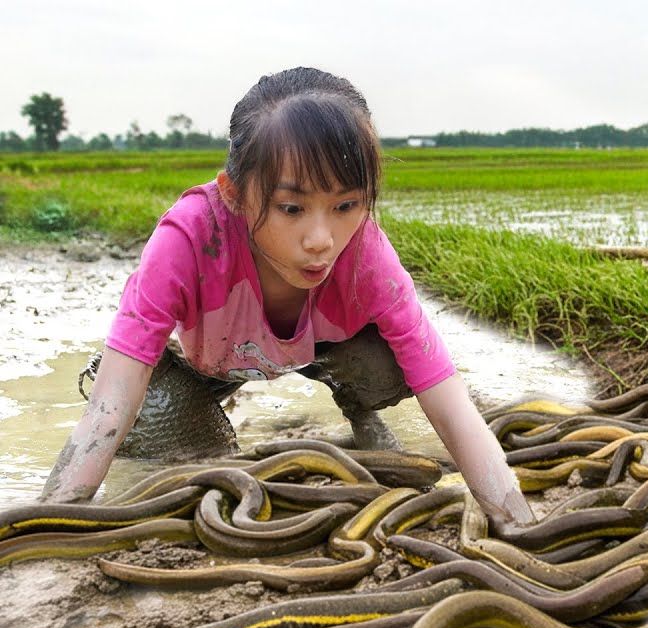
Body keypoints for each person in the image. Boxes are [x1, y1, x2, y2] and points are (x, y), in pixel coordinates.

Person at [38, 66, 535, 525]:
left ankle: (358, 408)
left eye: (346, 204)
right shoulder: (188, 239)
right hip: (208, 362)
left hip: (321, 351)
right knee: (175, 441)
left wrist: (515, 518)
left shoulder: (366, 257)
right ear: (234, 193)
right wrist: (51, 521)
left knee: (392, 363)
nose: (321, 239)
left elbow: (447, 399)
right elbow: (109, 408)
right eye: (292, 208)